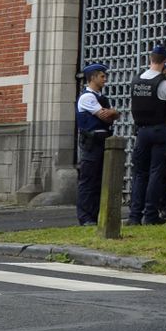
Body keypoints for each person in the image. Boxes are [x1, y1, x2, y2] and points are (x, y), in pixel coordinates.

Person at [128, 45, 166, 225]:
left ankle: (134, 216)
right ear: (164, 61)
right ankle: (150, 215)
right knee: (156, 173)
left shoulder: (136, 80)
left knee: (139, 174)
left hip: (141, 132)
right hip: (159, 130)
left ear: (150, 59)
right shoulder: (165, 84)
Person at [74, 63, 118, 226]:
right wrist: (112, 112)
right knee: (88, 181)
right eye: (102, 76)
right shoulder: (87, 97)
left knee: (99, 180)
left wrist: (113, 112)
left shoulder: (100, 97)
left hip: (101, 143)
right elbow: (105, 116)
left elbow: (114, 115)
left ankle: (96, 214)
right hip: (91, 144)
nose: (105, 79)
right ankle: (85, 217)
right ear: (92, 77)